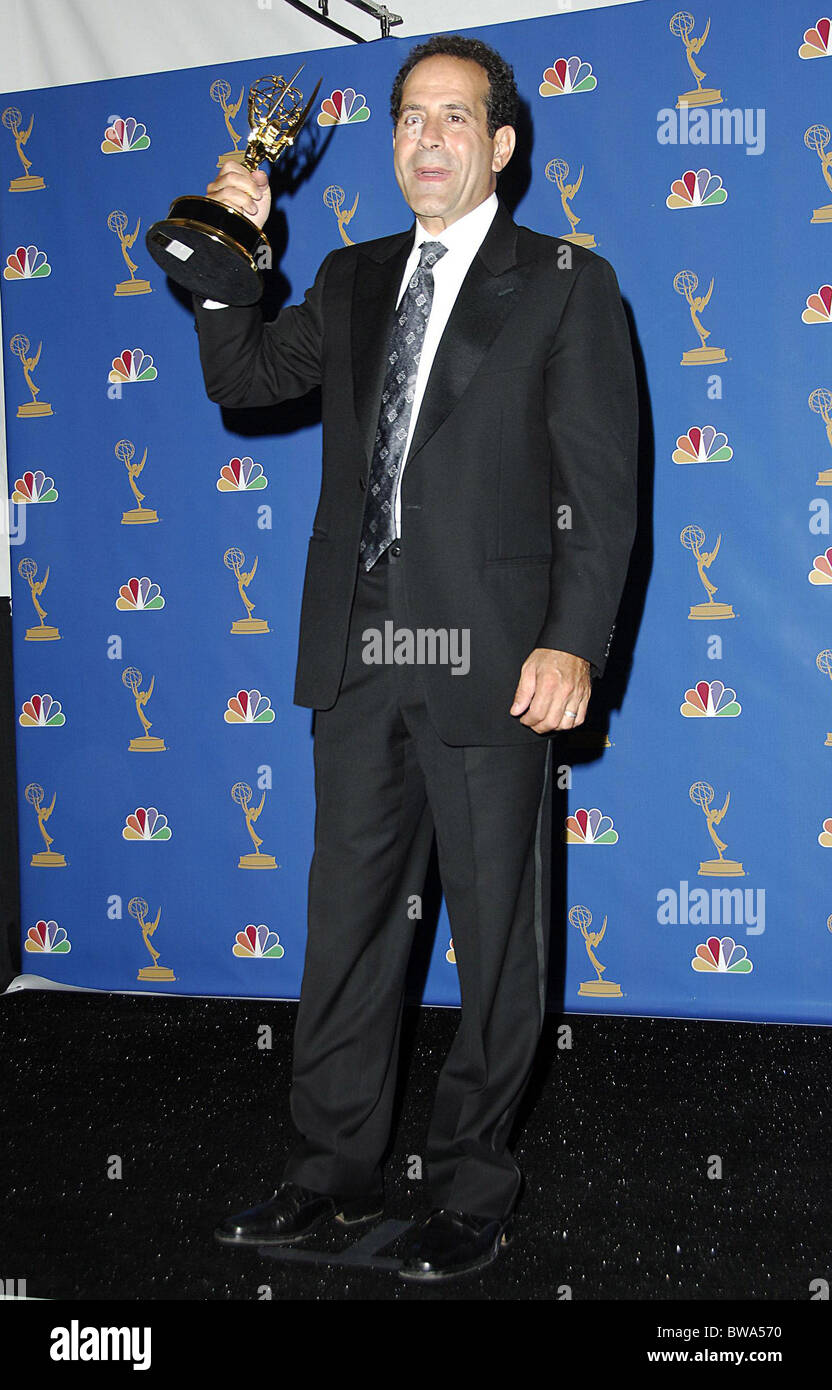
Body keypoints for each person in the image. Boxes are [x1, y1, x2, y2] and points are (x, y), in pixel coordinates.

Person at [195, 33, 638, 1282]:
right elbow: (240, 378)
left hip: (496, 656)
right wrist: (235, 251)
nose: (425, 138)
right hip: (360, 643)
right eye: (406, 117)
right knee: (346, 927)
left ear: (499, 146)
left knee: (497, 934)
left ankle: (468, 1188)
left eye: (453, 118)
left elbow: (602, 494)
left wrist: (571, 641)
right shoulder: (345, 274)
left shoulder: (564, 281)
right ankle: (324, 1175)